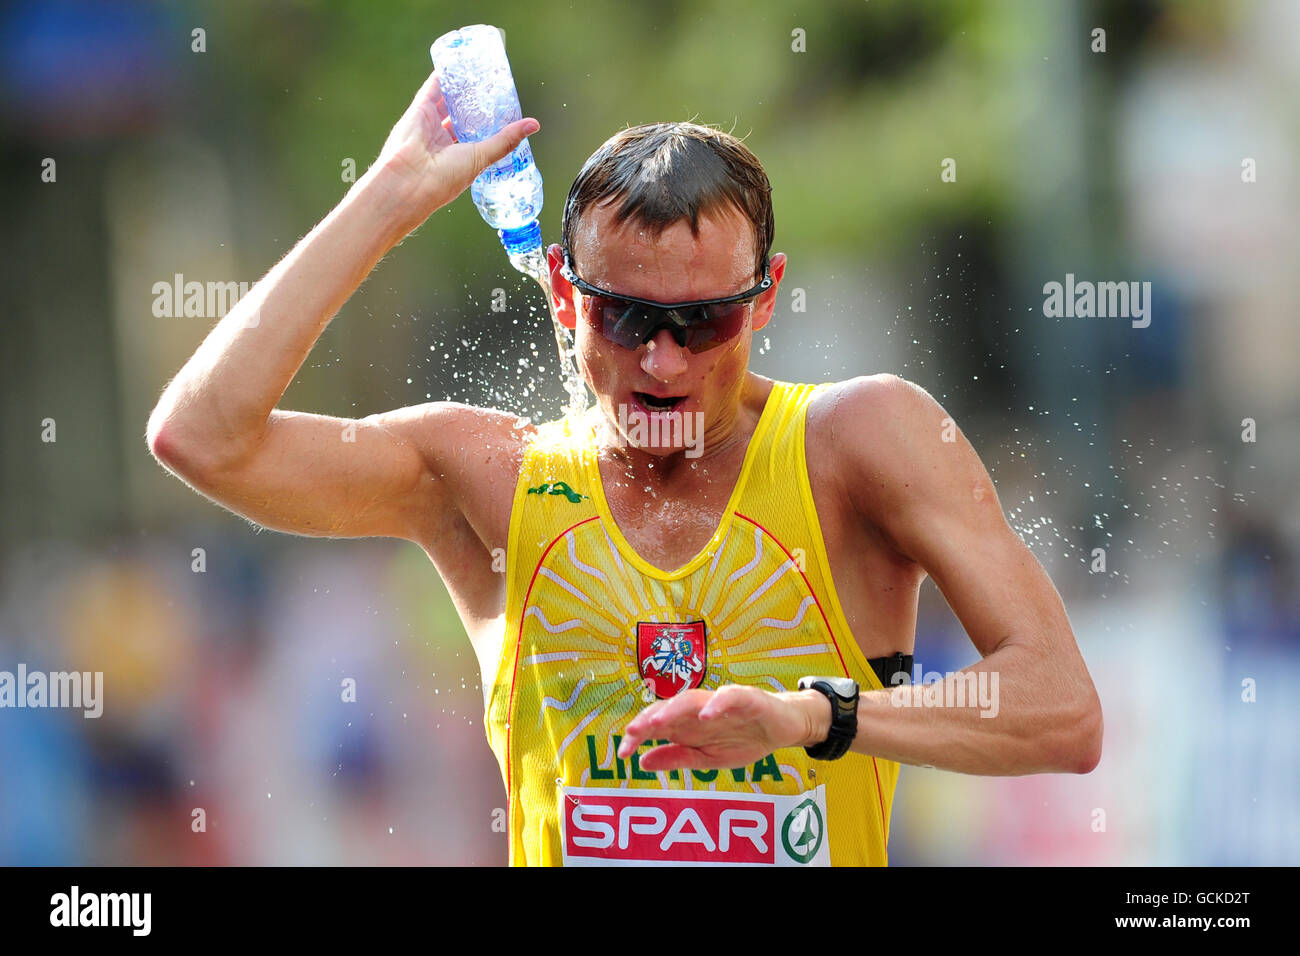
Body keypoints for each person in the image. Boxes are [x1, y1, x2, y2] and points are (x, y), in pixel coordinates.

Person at [146, 71, 1102, 867]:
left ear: (764, 299)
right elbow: (202, 437)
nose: (664, 362)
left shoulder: (857, 443)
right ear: (565, 296)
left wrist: (813, 719)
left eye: (704, 321)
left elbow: (1062, 712)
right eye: (628, 317)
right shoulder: (491, 476)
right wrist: (390, 196)